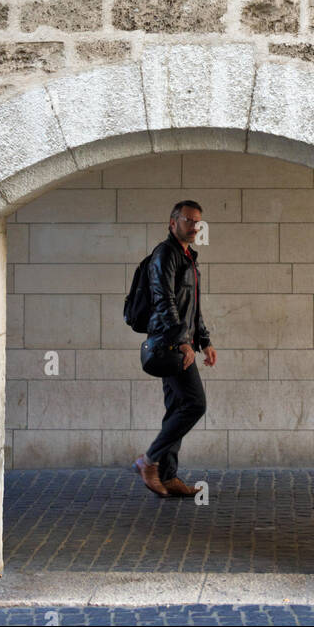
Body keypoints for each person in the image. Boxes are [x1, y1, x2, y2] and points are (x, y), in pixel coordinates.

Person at [133, 201, 217, 499]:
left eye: (198, 222)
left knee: (177, 408)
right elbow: (164, 300)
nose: (194, 227)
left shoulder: (188, 258)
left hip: (181, 342)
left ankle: (167, 477)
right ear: (173, 223)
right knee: (195, 404)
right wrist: (183, 342)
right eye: (188, 221)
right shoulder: (165, 255)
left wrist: (203, 340)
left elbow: (192, 306)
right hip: (169, 344)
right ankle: (148, 460)